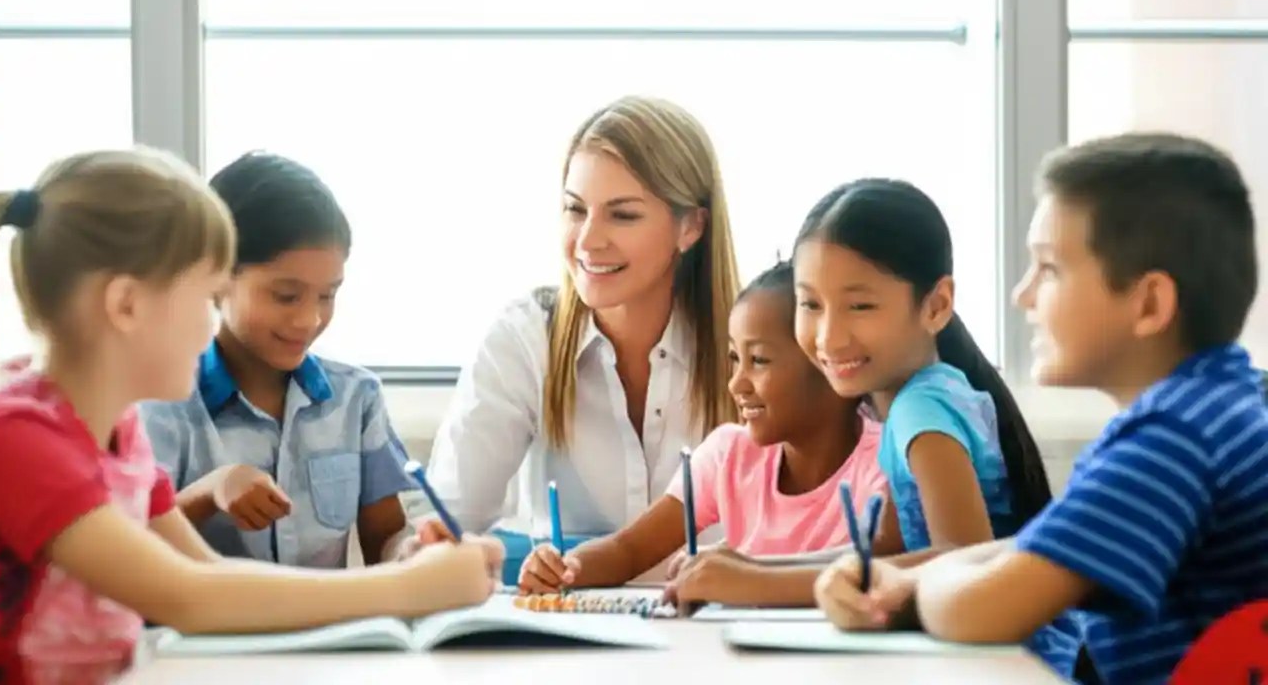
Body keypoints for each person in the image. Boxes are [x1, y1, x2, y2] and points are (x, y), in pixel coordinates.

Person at [0, 148, 500, 683]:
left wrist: (418, 569)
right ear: (127, 306)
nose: (211, 324)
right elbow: (184, 597)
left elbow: (205, 572)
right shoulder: (19, 438)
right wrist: (412, 589)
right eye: (209, 297)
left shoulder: (118, 432)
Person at [815, 134, 1268, 685]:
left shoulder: (1171, 440)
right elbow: (1029, 548)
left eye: (1049, 269)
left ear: (1149, 303)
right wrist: (921, 575)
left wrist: (917, 585)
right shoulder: (1226, 407)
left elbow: (977, 612)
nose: (1022, 295)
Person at [420, 96, 741, 582]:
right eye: (575, 209)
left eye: (623, 215)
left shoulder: (753, 349)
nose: (588, 240)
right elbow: (450, 515)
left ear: (691, 226)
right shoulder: (527, 338)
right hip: (569, 632)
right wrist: (433, 548)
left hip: (707, 626)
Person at [796, 178, 1074, 675]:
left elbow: (962, 559)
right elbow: (880, 552)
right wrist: (747, 568)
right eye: (811, 304)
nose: (828, 336)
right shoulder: (920, 399)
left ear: (936, 305)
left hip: (1008, 663)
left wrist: (750, 583)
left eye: (859, 306)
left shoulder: (920, 410)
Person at [515, 261, 888, 604]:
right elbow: (628, 550)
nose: (737, 383)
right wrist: (565, 568)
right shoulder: (729, 454)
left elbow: (878, 571)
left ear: (830, 364)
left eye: (758, 360)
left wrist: (743, 576)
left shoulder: (884, 464)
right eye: (734, 360)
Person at [141, 152, 414, 568]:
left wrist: (415, 551)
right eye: (286, 296)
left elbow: (386, 537)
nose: (310, 318)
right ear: (216, 277)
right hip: (211, 632)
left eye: (328, 295)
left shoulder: (357, 399)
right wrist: (209, 492)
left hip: (329, 631)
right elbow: (130, 547)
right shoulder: (162, 403)